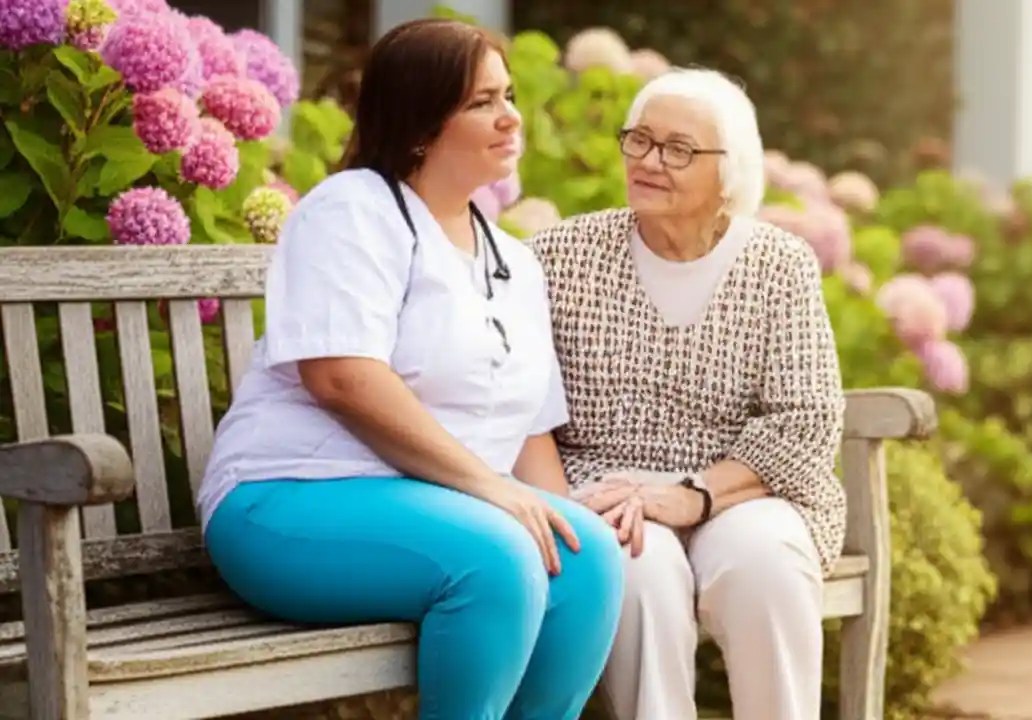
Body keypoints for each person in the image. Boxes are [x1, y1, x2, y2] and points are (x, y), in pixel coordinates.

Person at [196, 18, 624, 720]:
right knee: (497, 558)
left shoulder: (514, 262)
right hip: (289, 499)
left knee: (588, 557)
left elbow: (530, 434)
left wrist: (559, 515)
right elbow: (341, 377)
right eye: (482, 102)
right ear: (422, 123)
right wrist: (491, 488)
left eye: (509, 96)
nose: (510, 116)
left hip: (447, 514)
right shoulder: (352, 210)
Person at [529, 68, 846, 720]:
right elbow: (518, 394)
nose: (650, 161)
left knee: (766, 565)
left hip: (743, 491)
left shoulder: (778, 264)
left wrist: (694, 494)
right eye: (640, 140)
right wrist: (567, 504)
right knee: (638, 573)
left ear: (731, 172)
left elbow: (807, 419)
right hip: (607, 491)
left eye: (678, 149)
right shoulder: (560, 255)